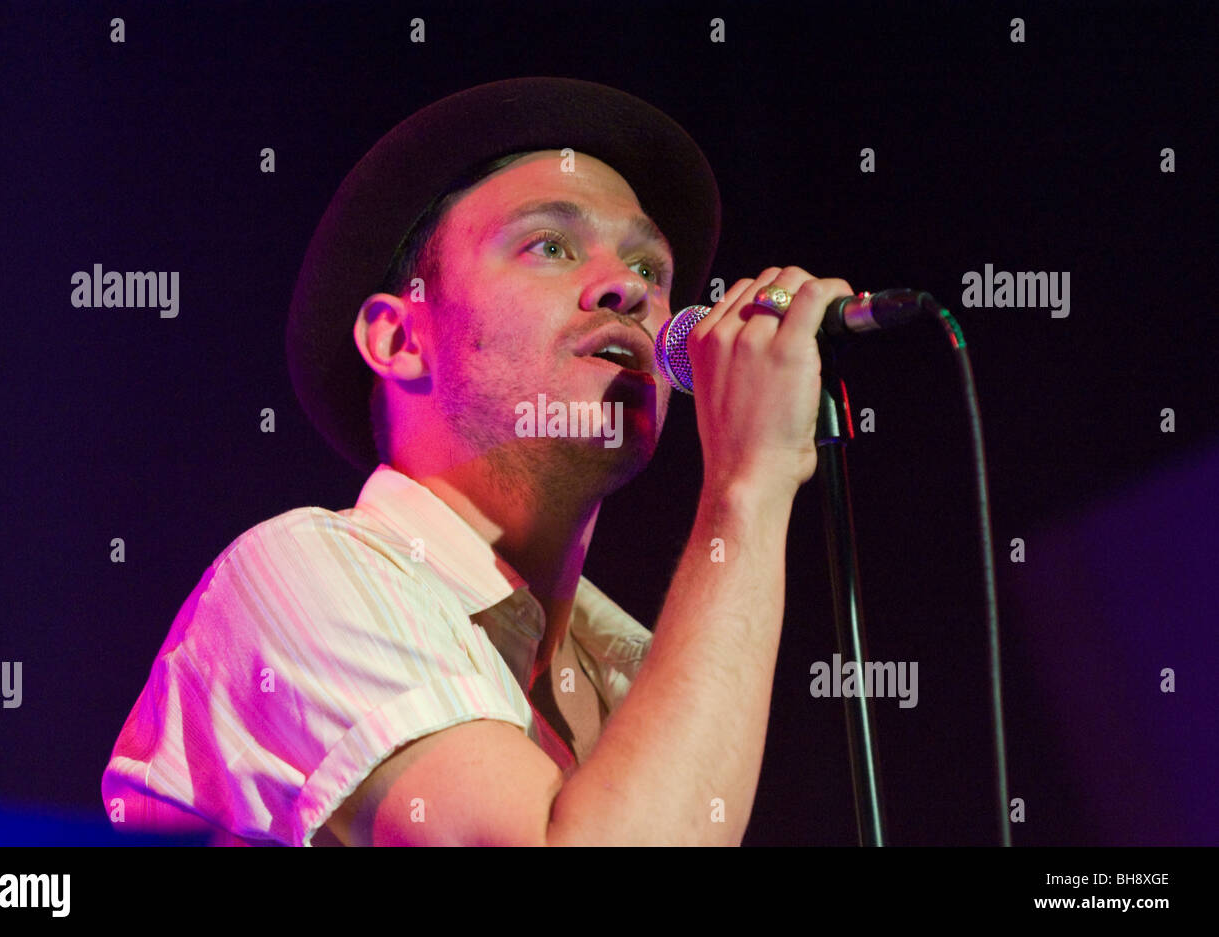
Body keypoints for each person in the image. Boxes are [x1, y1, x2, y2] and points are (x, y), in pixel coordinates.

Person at [101, 77, 853, 846]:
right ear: (399, 339)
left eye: (650, 269)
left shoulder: (640, 674)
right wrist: (747, 485)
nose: (627, 287)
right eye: (549, 244)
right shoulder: (297, 573)